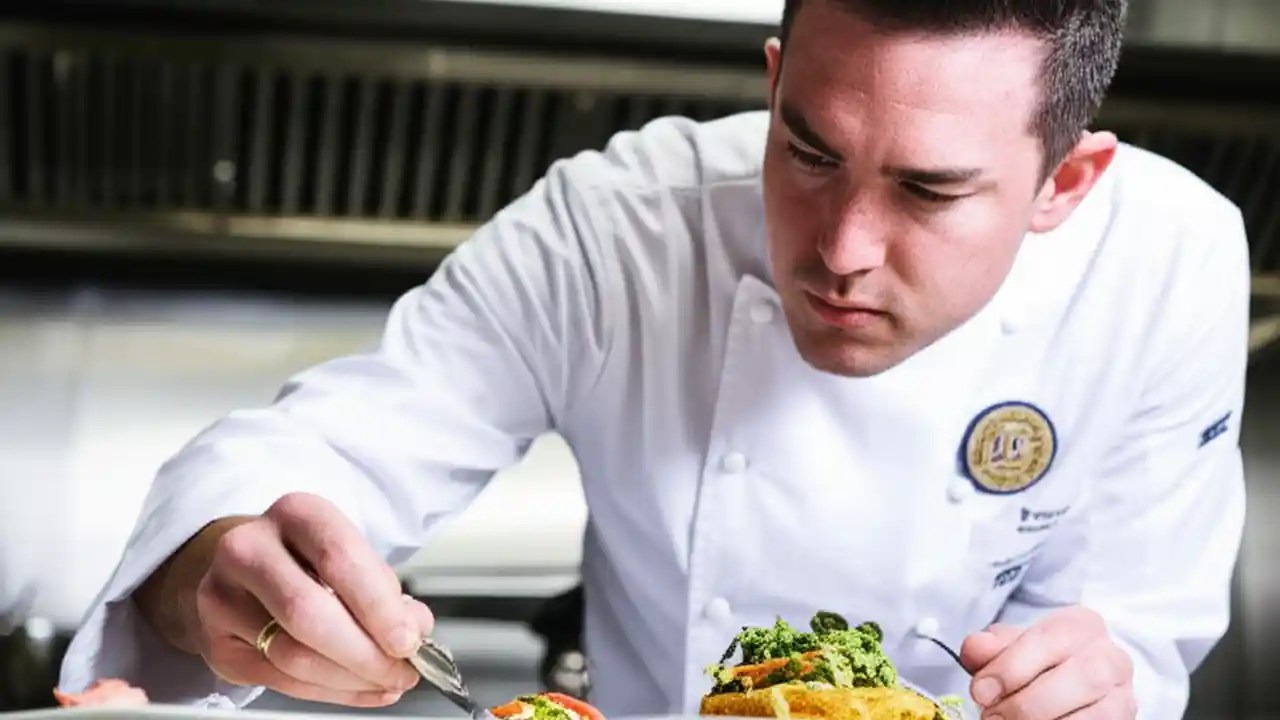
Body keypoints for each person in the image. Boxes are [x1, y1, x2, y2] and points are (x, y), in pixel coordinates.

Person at [57, 0, 1251, 718]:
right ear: (773, 81)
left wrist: (1102, 687)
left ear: (1064, 183)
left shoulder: (1165, 264)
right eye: (810, 152)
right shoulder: (617, 227)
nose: (839, 250)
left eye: (929, 190)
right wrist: (220, 569)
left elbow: (1133, 636)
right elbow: (322, 453)